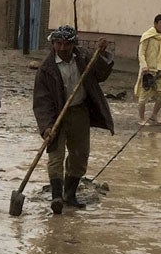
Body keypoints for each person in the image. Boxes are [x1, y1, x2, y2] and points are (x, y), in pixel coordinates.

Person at [33, 25, 114, 213]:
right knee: (55, 156)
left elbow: (102, 74)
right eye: (58, 44)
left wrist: (101, 52)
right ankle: (56, 197)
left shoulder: (84, 58)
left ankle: (69, 194)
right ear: (53, 44)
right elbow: (41, 101)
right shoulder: (46, 69)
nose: (62, 48)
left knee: (80, 154)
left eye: (66, 44)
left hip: (79, 112)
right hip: (56, 116)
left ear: (73, 44)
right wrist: (46, 127)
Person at [136, 14, 161, 125]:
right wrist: (144, 66)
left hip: (159, 71)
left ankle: (154, 115)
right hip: (147, 72)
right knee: (143, 98)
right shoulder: (147, 36)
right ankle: (141, 119)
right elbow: (141, 53)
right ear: (155, 24)